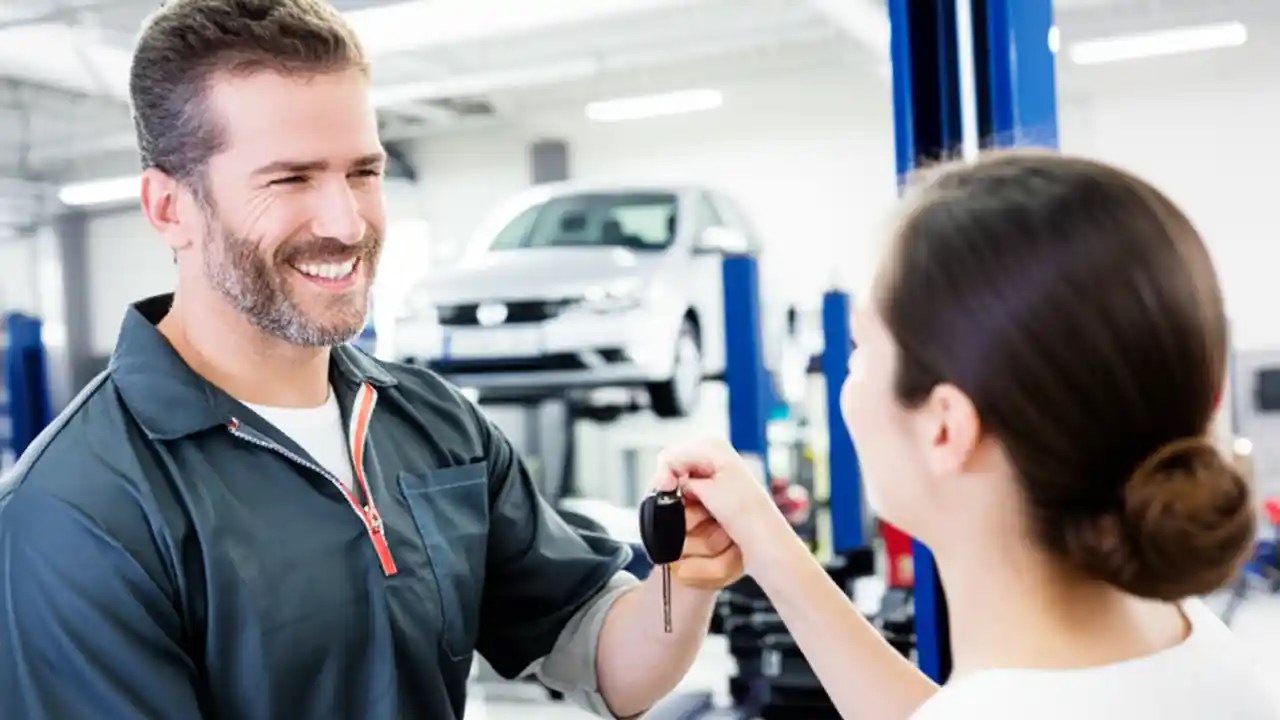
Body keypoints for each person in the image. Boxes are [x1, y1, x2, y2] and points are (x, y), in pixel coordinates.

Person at [0, 1, 743, 718]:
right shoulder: (78, 511)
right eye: (290, 179)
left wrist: (684, 578)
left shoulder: (434, 424)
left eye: (362, 172)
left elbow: (603, 659)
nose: (347, 222)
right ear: (170, 208)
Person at [652, 151, 1280, 719]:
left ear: (945, 427)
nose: (850, 374)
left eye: (860, 349)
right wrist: (768, 544)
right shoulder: (1181, 639)